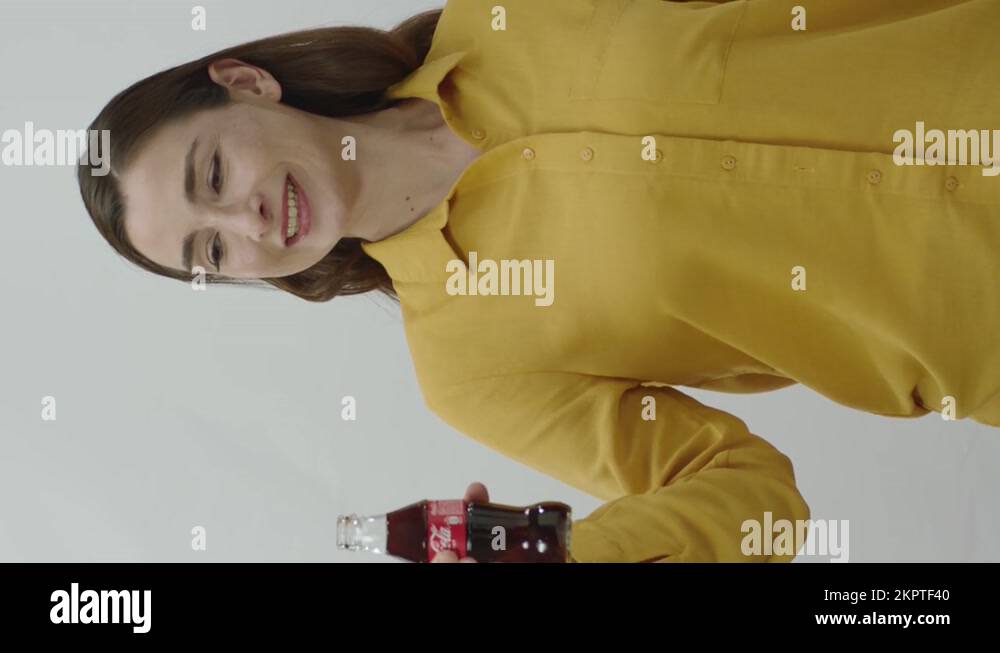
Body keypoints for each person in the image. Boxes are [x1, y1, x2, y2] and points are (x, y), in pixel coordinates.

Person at [78, 0, 1000, 562]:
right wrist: (575, 556)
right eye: (210, 252)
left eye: (212, 177)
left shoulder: (511, 11)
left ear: (245, 82)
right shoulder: (470, 369)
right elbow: (754, 494)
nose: (243, 223)